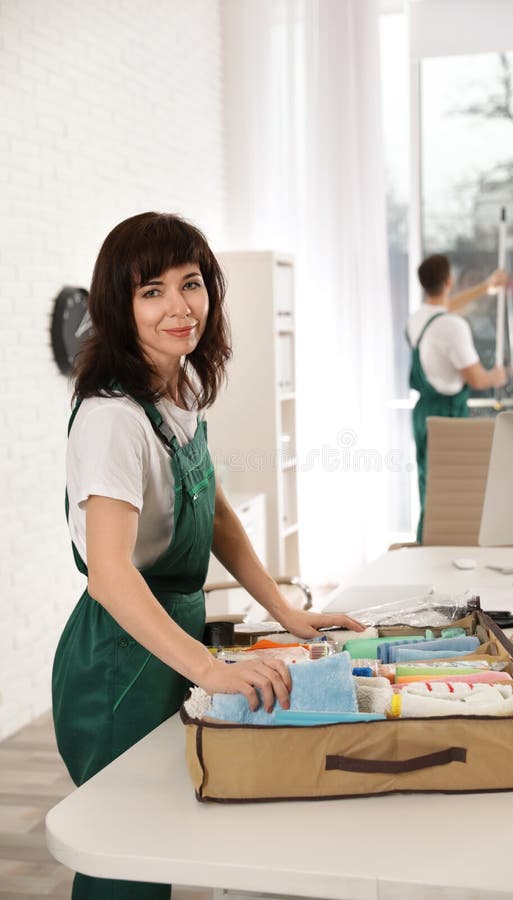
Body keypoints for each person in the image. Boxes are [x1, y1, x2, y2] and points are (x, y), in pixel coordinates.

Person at [52, 212, 364, 900]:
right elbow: (110, 575)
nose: (180, 307)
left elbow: (216, 512)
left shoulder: (181, 388)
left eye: (190, 284)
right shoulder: (113, 421)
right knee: (125, 859)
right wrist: (211, 670)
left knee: (161, 844)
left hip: (172, 638)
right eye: (152, 291)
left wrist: (285, 611)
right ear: (119, 306)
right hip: (119, 660)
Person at [406, 253, 508, 542]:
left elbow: (445, 307)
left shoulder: (416, 320)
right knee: (453, 492)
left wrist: (486, 287)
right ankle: (443, 546)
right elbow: (477, 379)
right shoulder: (453, 327)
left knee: (429, 486)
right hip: (448, 415)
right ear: (449, 280)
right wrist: (496, 376)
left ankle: (426, 542)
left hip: (423, 413)